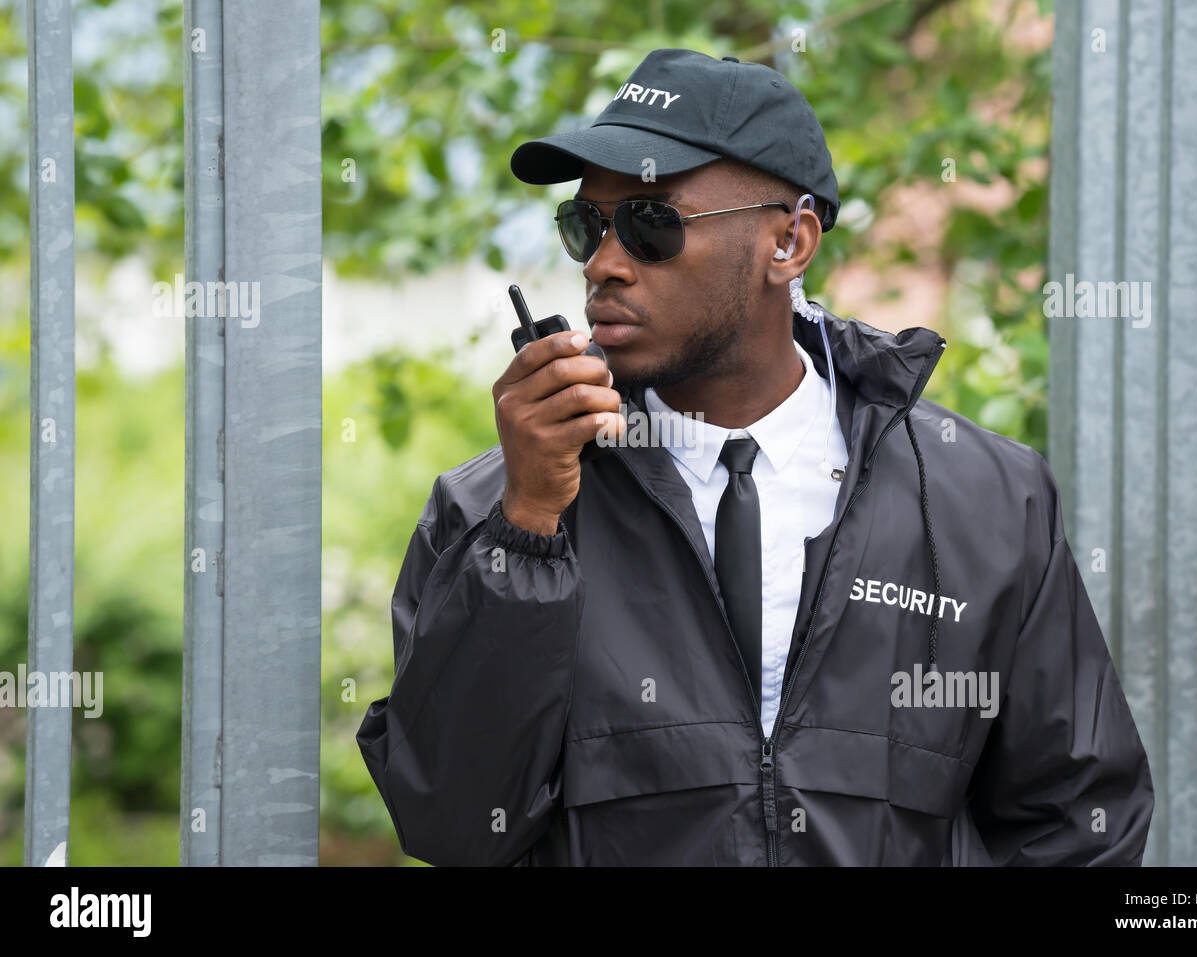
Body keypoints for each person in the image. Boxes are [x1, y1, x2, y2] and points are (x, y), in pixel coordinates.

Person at [356, 48, 1154, 866]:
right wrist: (526, 531)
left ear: (790, 242)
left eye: (651, 221)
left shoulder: (984, 499)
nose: (604, 262)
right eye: (585, 225)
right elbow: (450, 822)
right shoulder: (490, 512)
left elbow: (1079, 822)